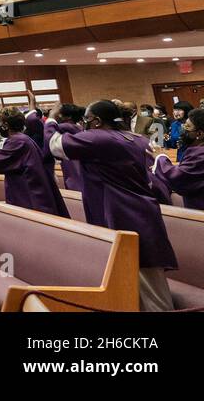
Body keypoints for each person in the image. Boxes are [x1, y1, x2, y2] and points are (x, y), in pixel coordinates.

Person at [48, 99, 178, 311]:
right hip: (143, 211)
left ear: (97, 121)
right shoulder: (138, 139)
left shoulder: (100, 138)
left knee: (146, 286)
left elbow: (56, 145)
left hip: (124, 213)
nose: (84, 125)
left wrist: (51, 120)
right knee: (144, 280)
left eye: (87, 121)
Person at [0, 108, 67, 217]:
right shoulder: (21, 138)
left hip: (31, 195)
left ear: (5, 125)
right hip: (31, 190)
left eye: (0, 123)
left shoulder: (17, 141)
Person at [151, 107, 204, 210]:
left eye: (187, 126)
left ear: (199, 134)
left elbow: (178, 179)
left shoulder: (201, 154)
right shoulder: (200, 150)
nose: (183, 129)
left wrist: (160, 157)